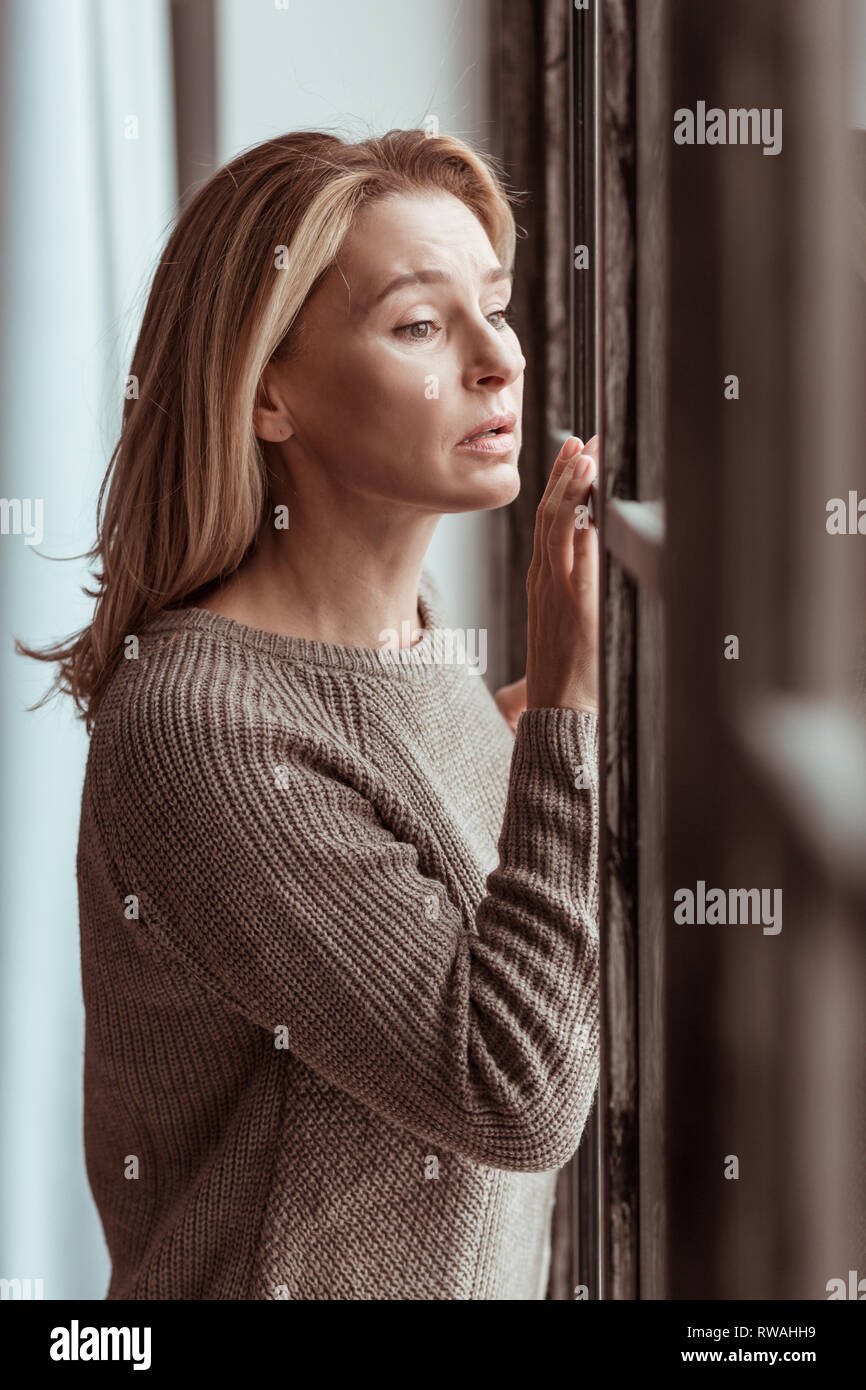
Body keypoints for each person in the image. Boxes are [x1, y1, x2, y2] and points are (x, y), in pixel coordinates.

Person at [17, 127, 600, 1299]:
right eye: (420, 325)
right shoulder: (202, 729)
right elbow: (516, 1092)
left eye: (494, 304)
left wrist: (547, 711)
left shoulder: (406, 651)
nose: (499, 359)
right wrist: (565, 719)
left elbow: (406, 838)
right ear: (267, 390)